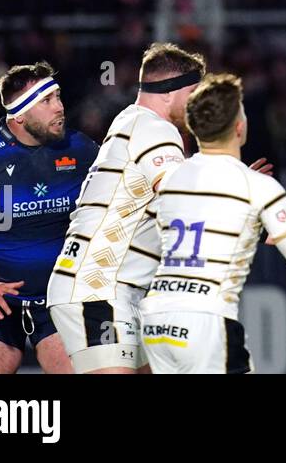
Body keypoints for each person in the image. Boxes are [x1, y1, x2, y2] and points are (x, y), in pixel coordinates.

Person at [140, 73, 286, 373]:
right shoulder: (257, 186)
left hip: (157, 317)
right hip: (206, 321)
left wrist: (250, 224)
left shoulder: (172, 177)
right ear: (239, 127)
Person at [46, 43, 205, 373]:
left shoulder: (135, 124)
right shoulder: (155, 129)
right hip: (98, 287)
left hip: (116, 292)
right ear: (167, 93)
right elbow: (182, 197)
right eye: (194, 92)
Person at [0, 62, 99, 373]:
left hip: (61, 302)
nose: (59, 108)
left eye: (58, 97)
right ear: (20, 115)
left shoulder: (82, 150)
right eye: (47, 101)